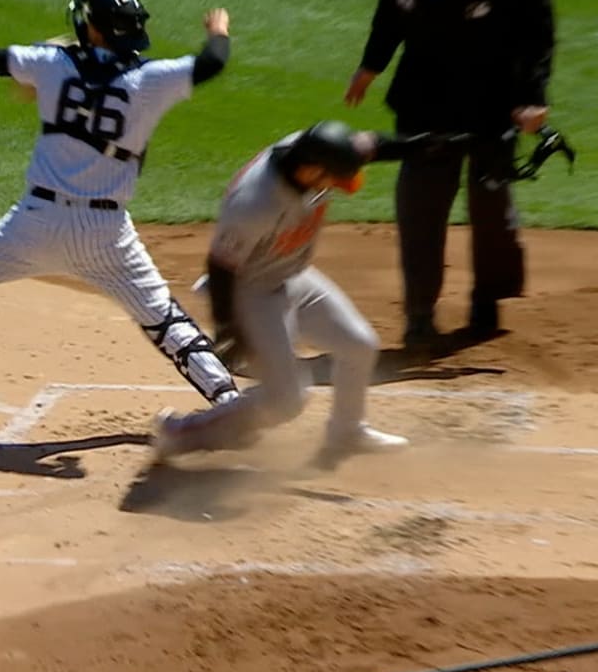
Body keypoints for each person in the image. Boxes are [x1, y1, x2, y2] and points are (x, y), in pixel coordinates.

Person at [0, 0, 242, 417]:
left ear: (93, 29)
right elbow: (212, 62)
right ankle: (227, 399)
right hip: (107, 235)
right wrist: (218, 30)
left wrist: (48, 55)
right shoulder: (152, 79)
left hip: (34, 224)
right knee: (163, 319)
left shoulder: (52, 63)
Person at [343, 0, 557, 350]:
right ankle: (420, 313)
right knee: (420, 202)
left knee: (491, 203)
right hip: (423, 95)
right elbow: (392, 2)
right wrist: (372, 64)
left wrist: (532, 97)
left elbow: (537, 30)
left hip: (492, 96)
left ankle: (488, 298)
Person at [151, 120, 414, 462]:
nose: (336, 186)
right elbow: (221, 266)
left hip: (290, 274)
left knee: (360, 346)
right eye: (333, 179)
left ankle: (347, 433)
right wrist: (229, 328)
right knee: (286, 401)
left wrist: (432, 145)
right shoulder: (254, 204)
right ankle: (180, 433)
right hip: (249, 292)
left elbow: (372, 145)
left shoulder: (316, 150)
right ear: (312, 169)